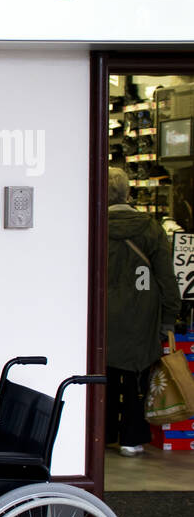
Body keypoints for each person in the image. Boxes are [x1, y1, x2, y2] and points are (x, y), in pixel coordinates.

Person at [106, 167, 181, 455]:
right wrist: (169, 317)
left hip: (103, 315)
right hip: (141, 314)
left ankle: (105, 430)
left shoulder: (93, 225)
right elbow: (165, 277)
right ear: (128, 192)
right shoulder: (150, 228)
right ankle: (132, 437)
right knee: (137, 377)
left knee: (105, 374)